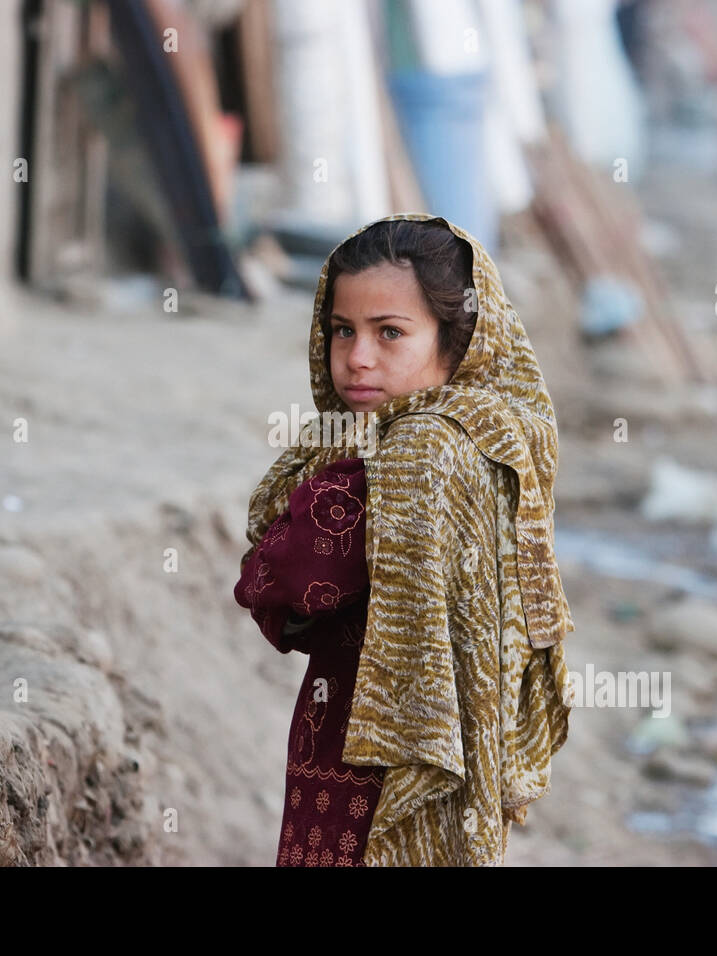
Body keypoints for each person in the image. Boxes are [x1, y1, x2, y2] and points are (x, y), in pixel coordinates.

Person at [234, 213, 576, 866]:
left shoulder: (414, 453)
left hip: (373, 761)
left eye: (390, 333)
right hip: (432, 751)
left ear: (459, 341)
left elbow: (284, 579)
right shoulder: (490, 435)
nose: (358, 357)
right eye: (342, 330)